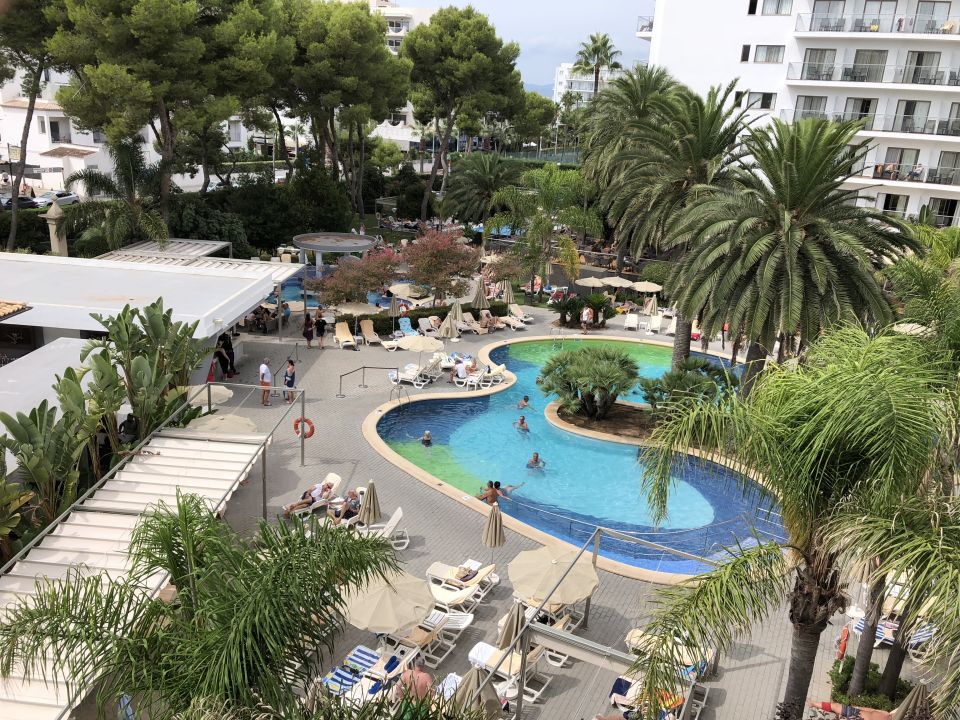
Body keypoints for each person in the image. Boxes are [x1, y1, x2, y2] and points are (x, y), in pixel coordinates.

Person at [806, 699, 891, 720]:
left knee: (835, 707)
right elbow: (871, 710)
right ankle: (813, 703)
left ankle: (813, 704)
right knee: (835, 706)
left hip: (857, 716)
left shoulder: (886, 714)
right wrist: (858, 708)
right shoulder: (886, 714)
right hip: (857, 713)